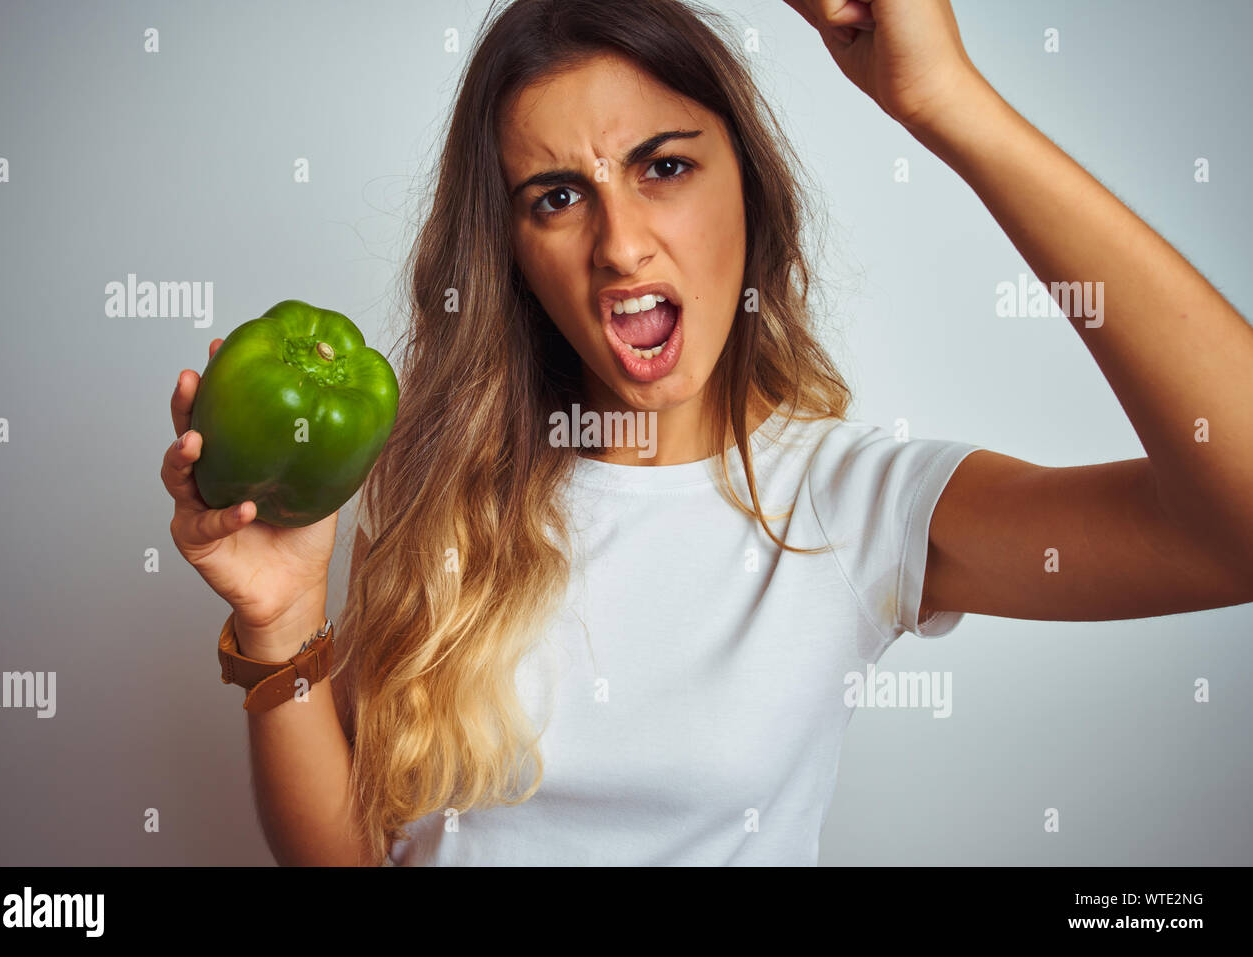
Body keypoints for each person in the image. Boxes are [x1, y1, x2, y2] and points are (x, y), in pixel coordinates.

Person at [161, 0, 1253, 866]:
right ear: (511, 254)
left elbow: (1234, 530)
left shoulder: (858, 504)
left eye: (664, 166)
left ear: (751, 191)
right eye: (554, 197)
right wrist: (281, 619)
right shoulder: (434, 480)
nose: (621, 245)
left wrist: (948, 104)